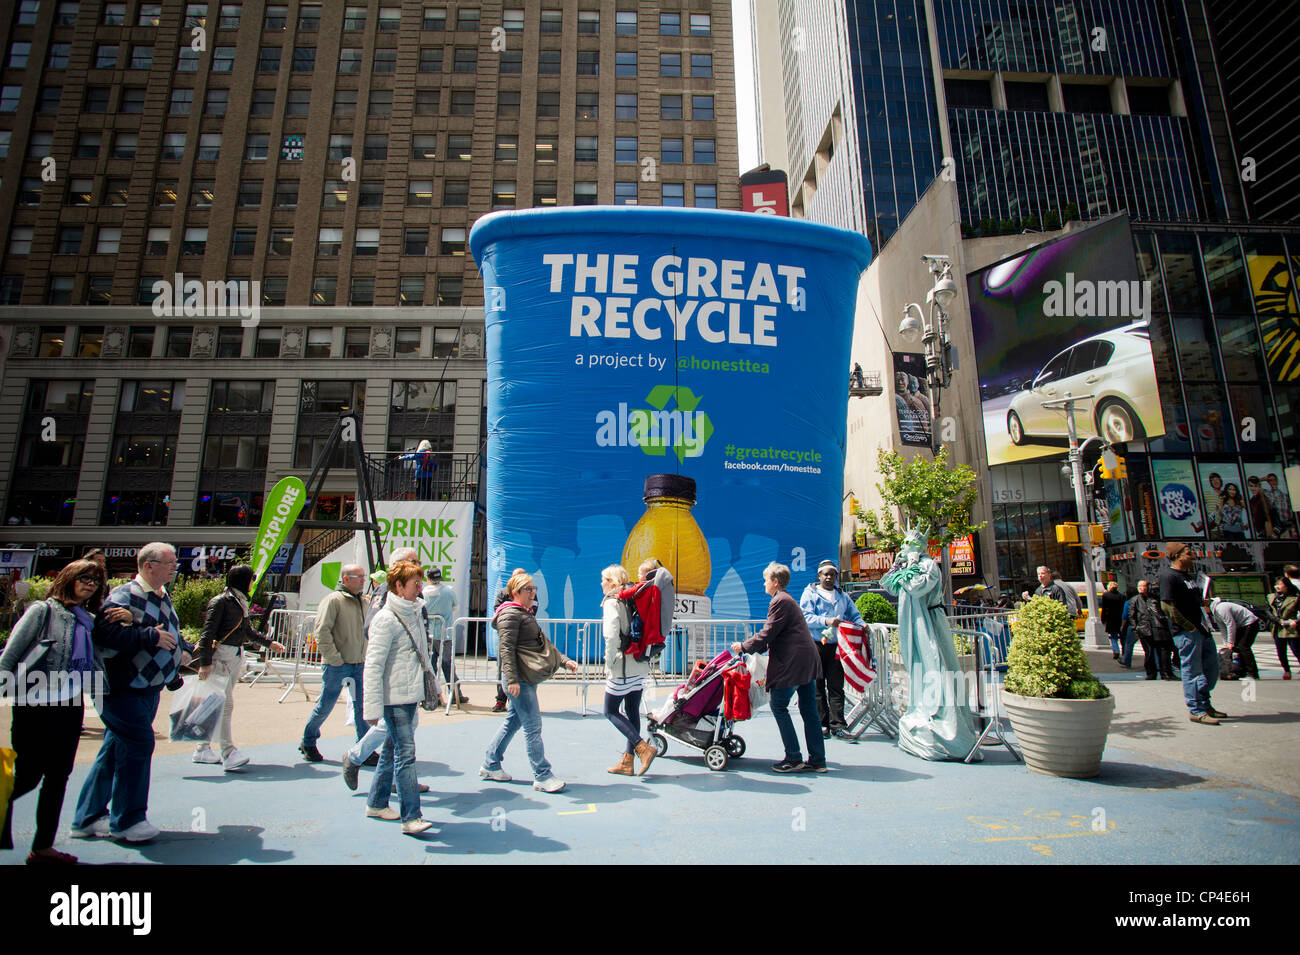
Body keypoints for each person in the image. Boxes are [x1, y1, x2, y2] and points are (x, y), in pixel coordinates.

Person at [0, 559, 135, 863]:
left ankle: (43, 847)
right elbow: (9, 655)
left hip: (70, 703)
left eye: (96, 581)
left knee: (59, 776)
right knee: (30, 775)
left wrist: (127, 621)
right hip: (34, 703)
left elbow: (108, 652)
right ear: (69, 578)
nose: (90, 584)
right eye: (85, 578)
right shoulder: (42, 610)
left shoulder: (89, 619)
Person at [71, 542, 194, 843]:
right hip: (121, 688)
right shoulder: (123, 596)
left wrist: (185, 650)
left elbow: (168, 632)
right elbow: (105, 634)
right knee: (138, 744)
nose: (174, 566)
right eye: (168, 562)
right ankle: (127, 820)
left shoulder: (161, 595)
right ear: (149, 565)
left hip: (147, 687)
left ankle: (87, 817)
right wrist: (151, 636)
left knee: (114, 751)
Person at [480, 570, 578, 792]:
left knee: (513, 722)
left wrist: (564, 660)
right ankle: (542, 775)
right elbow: (506, 649)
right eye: (528, 589)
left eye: (534, 588)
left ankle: (490, 763)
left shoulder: (522, 613)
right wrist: (512, 680)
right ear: (515, 592)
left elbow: (541, 641)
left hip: (523, 679)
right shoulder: (511, 615)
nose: (533, 592)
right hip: (519, 681)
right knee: (533, 727)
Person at [360, 560, 434, 835]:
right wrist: (372, 707)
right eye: (415, 583)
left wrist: (433, 686)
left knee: (392, 750)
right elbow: (374, 665)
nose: (420, 587)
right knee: (406, 753)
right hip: (395, 698)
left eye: (420, 582)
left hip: (409, 693)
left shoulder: (414, 613)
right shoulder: (385, 619)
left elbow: (422, 655)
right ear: (399, 586)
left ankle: (377, 802)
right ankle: (411, 816)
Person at [730, 562, 825, 773]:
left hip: (795, 663)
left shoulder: (780, 601)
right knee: (809, 710)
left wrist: (743, 646)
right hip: (806, 661)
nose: (764, 583)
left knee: (779, 706)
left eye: (766, 580)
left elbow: (768, 632)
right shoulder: (786, 600)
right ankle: (818, 759)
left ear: (775, 582)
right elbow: (771, 634)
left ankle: (793, 757)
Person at [193, 564, 286, 771]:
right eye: (251, 579)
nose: (253, 583)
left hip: (233, 655)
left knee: (215, 703)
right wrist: (205, 662)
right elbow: (208, 633)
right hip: (222, 657)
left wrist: (269, 643)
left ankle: (202, 747)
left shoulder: (238, 601)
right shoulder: (222, 602)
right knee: (224, 704)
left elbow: (246, 630)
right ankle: (227, 751)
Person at [299, 563, 368, 762]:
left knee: (361, 707)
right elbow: (321, 631)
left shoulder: (363, 602)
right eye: (358, 576)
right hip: (338, 664)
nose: (363, 579)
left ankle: (363, 748)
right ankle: (308, 740)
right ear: (346, 579)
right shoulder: (333, 600)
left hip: (359, 663)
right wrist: (334, 657)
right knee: (326, 705)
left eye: (363, 576)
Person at [1159, 542, 1225, 724]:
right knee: (1193, 670)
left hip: (1202, 629)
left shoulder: (1187, 576)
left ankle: (1205, 705)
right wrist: (1188, 626)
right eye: (1189, 553)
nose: (1193, 556)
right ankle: (1196, 709)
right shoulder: (1168, 576)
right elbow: (1166, 605)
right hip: (1187, 632)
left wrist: (1205, 603)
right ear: (1177, 556)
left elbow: (1190, 600)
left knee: (1211, 669)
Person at [798, 560, 864, 739]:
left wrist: (862, 626)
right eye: (825, 574)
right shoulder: (810, 594)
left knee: (836, 686)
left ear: (836, 577)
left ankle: (838, 725)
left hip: (836, 647)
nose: (829, 577)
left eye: (832, 574)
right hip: (817, 646)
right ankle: (822, 724)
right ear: (819, 576)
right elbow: (805, 617)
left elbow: (854, 615)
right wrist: (825, 621)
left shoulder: (842, 596)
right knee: (818, 687)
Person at [600, 564, 655, 775]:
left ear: (612, 582)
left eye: (604, 579)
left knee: (610, 710)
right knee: (632, 712)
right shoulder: (633, 599)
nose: (601, 583)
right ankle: (627, 761)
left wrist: (609, 662)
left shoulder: (612, 602)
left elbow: (611, 635)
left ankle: (643, 748)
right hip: (639, 664)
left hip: (621, 665)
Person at [423, 567, 464, 703]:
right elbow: (455, 607)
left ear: (428, 579)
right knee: (447, 664)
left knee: (431, 665)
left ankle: (432, 694)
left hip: (430, 634)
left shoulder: (423, 593)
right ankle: (455, 693)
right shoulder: (448, 591)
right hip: (445, 634)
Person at [1120, 579, 1175, 679]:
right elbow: (1131, 616)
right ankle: (1151, 673)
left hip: (1158, 627)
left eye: (1143, 586)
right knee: (1149, 652)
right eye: (1139, 586)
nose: (1141, 588)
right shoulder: (1135, 600)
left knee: (1163, 651)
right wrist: (1135, 628)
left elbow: (1162, 610)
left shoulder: (1155, 598)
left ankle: (1166, 672)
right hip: (1144, 629)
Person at [1207, 595, 1260, 681]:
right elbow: (1223, 629)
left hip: (1250, 623)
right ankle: (1242, 671)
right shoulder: (1215, 613)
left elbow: (1230, 625)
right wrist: (1226, 644)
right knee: (1238, 648)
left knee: (1243, 647)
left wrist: (1230, 642)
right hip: (1242, 625)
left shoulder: (1221, 608)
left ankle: (1253, 673)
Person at [1266, 576, 1299, 679]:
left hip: (1291, 627)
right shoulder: (1271, 597)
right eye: (1276, 584)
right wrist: (1277, 620)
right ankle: (1286, 671)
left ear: (1287, 586)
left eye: (1280, 584)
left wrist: (1296, 621)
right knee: (1280, 651)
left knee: (1296, 649)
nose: (1278, 587)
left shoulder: (1294, 598)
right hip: (1277, 627)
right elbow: (1268, 612)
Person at [1100, 581, 1126, 660]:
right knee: (1122, 636)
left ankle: (1116, 650)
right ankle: (1125, 651)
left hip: (1111, 618)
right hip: (1120, 618)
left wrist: (1103, 619)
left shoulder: (1106, 596)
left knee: (1113, 636)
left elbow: (1104, 608)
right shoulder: (1122, 596)